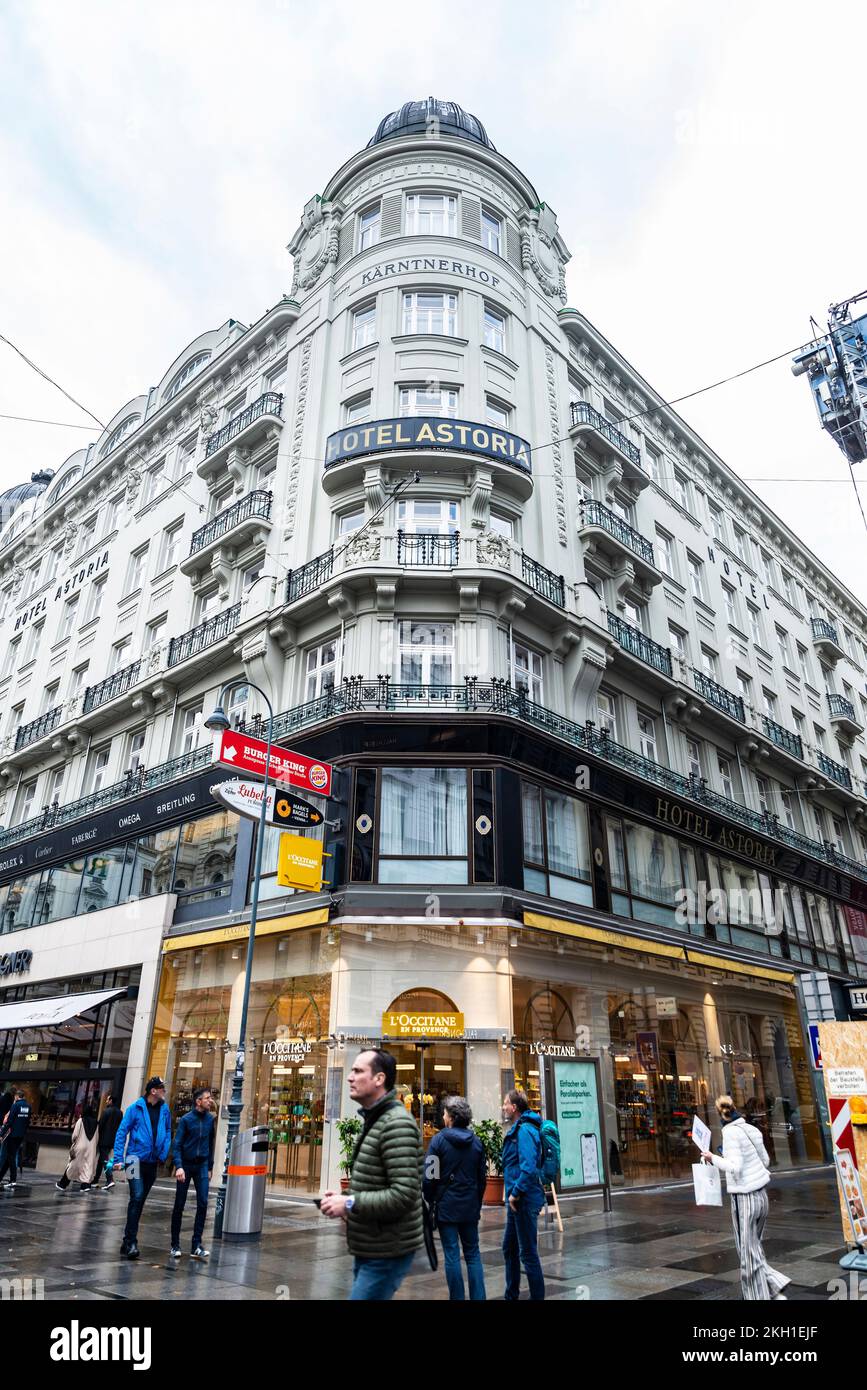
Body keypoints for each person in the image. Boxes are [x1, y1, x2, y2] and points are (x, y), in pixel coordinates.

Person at [320, 1049, 424, 1300]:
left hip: (388, 1249)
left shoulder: (395, 1123)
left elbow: (404, 1194)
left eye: (358, 1071)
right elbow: (378, 1182)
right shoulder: (376, 1119)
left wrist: (350, 1203)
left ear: (379, 1079)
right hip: (372, 1245)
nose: (350, 1077)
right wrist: (346, 1198)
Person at [701, 1093, 791, 1301]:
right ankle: (772, 1290)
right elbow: (766, 1161)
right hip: (762, 1196)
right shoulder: (752, 1129)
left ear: (720, 1115)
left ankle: (761, 1295)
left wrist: (712, 1158)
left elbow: (735, 1167)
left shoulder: (731, 1133)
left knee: (747, 1253)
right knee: (753, 1248)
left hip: (745, 1199)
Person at [423, 1095, 487, 1301]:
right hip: (469, 1208)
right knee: (473, 1254)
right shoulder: (477, 1143)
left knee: (452, 1255)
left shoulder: (438, 1141)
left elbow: (430, 1177)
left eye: (444, 1113)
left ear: (450, 1117)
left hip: (446, 1208)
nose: (442, 1116)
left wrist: (431, 1198)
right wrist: (476, 1201)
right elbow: (482, 1179)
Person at [112, 1076, 172, 1260]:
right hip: (133, 1160)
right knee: (136, 1197)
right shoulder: (135, 1108)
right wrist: (117, 1158)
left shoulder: (164, 1109)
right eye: (161, 1088)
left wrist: (163, 1152)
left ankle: (127, 1240)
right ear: (153, 1090)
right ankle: (131, 1242)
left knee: (139, 1201)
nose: (164, 1091)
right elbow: (122, 1131)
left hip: (152, 1162)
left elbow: (168, 1131)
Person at [501, 1089, 545, 1301]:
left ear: (514, 1107)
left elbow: (528, 1168)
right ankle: (511, 1295)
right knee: (509, 1248)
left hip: (523, 1200)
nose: (503, 1107)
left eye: (505, 1103)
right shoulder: (520, 1128)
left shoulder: (525, 1131)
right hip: (516, 1201)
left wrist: (515, 1193)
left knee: (527, 1253)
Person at [170, 1087, 215, 1260]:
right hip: (186, 1166)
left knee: (203, 1203)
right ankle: (175, 1245)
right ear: (198, 1101)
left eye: (210, 1098)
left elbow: (211, 1144)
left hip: (202, 1165)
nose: (210, 1101)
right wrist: (179, 1166)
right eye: (207, 1098)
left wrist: (210, 1166)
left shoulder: (211, 1120)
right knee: (179, 1205)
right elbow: (177, 1144)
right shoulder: (186, 1120)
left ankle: (196, 1244)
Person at [55, 1101, 100, 1192]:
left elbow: (75, 1135)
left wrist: (73, 1142)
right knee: (88, 1166)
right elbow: (97, 1136)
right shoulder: (96, 1122)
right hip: (91, 1147)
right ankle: (85, 1185)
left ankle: (63, 1183)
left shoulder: (81, 1120)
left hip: (80, 1145)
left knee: (73, 1164)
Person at [0, 1089, 32, 1189]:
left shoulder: (16, 1105)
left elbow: (9, 1121)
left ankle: (12, 1180)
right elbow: (27, 1122)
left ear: (17, 1096)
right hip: (20, 1135)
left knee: (11, 1157)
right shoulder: (28, 1106)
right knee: (10, 1156)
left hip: (12, 1135)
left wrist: (1, 1133)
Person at [96, 1093, 123, 1190]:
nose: (106, 1101)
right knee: (102, 1159)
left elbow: (101, 1125)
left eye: (108, 1100)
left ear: (111, 1101)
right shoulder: (120, 1113)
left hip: (104, 1140)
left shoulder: (106, 1111)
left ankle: (109, 1179)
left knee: (104, 1160)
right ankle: (95, 1180)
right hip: (113, 1140)